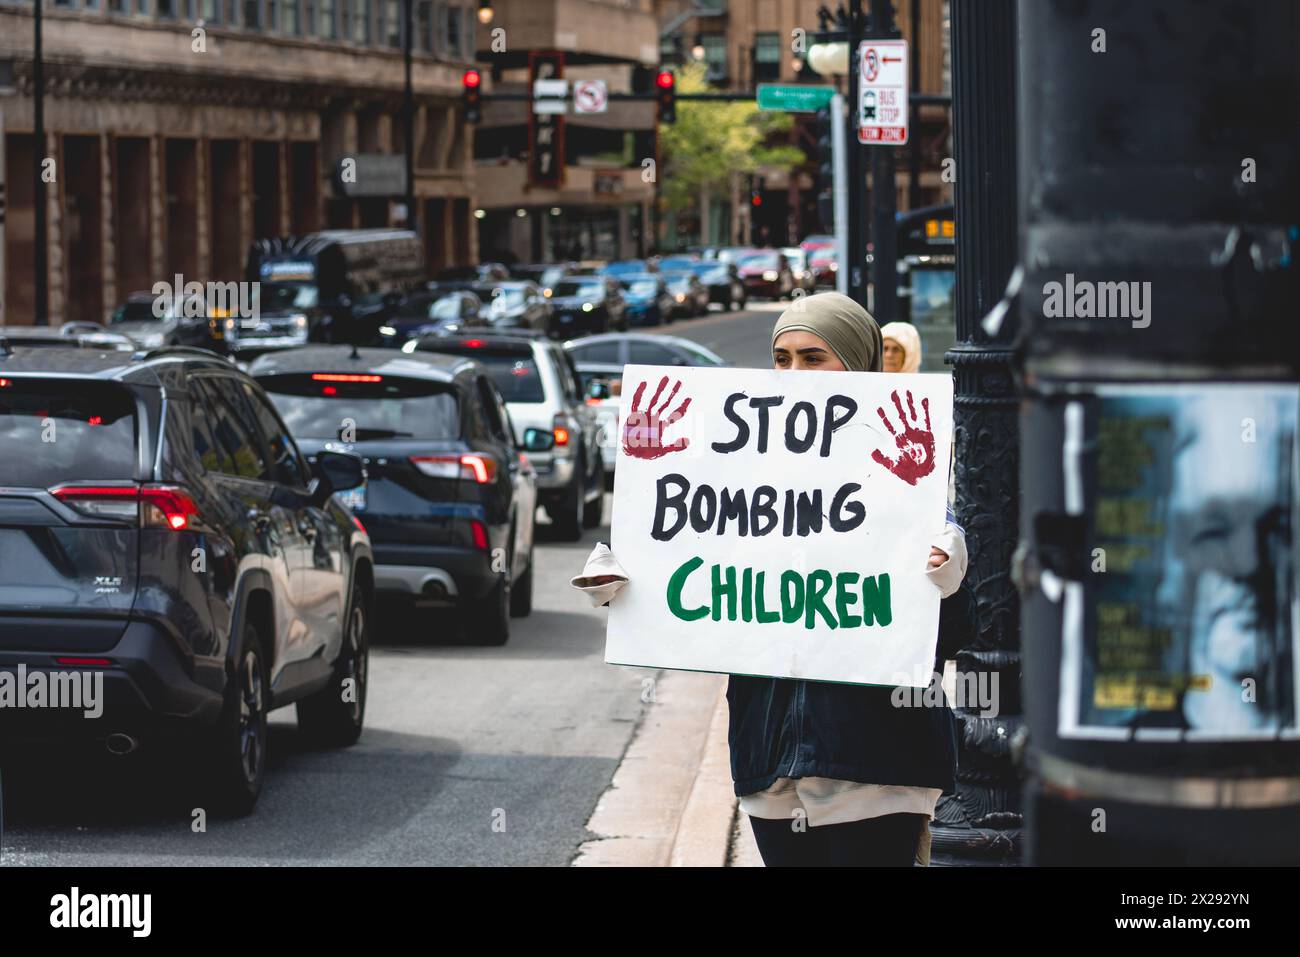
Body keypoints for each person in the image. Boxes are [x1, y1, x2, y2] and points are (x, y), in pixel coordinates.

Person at [571, 292, 972, 866]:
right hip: (770, 769)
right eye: (781, 358)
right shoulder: (737, 466)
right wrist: (631, 579)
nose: (793, 373)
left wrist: (945, 580)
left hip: (877, 768)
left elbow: (954, 635)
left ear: (858, 362)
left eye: (814, 357)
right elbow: (716, 594)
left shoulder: (906, 470)